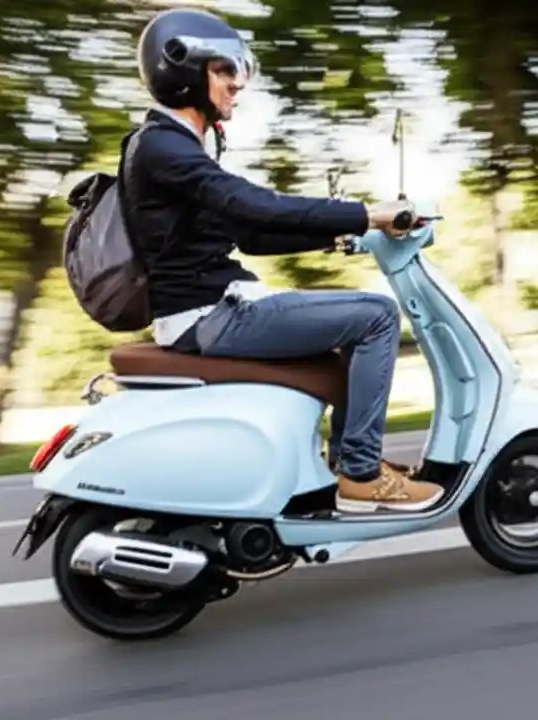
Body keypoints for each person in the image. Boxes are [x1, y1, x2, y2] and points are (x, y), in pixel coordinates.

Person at [123, 8, 444, 514]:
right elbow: (254, 204)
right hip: (209, 315)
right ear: (185, 70)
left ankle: (347, 464)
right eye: (224, 71)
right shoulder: (163, 147)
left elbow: (249, 234)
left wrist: (343, 237)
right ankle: (360, 474)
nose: (235, 85)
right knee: (377, 317)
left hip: (213, 308)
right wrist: (367, 213)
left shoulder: (173, 148)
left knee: (347, 336)